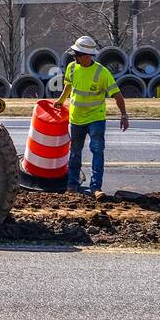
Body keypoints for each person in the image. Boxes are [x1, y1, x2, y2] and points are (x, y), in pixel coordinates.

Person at [56, 35, 129, 200]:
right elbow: (68, 87)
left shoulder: (102, 73)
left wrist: (124, 115)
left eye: (77, 54)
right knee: (74, 153)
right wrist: (60, 101)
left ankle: (96, 188)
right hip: (76, 119)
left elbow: (118, 96)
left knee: (97, 152)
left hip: (96, 119)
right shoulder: (72, 68)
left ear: (88, 56)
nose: (74, 57)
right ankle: (72, 185)